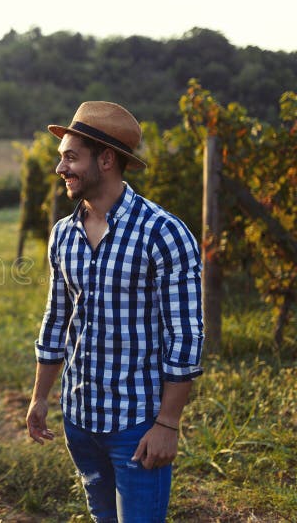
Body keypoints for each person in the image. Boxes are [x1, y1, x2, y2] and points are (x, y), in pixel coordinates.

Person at [25, 101, 204, 521]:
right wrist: (40, 397)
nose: (60, 168)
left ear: (106, 160)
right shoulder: (63, 236)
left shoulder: (163, 233)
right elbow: (56, 320)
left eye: (70, 157)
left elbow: (186, 336)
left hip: (136, 426)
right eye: (60, 158)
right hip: (80, 420)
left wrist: (168, 424)